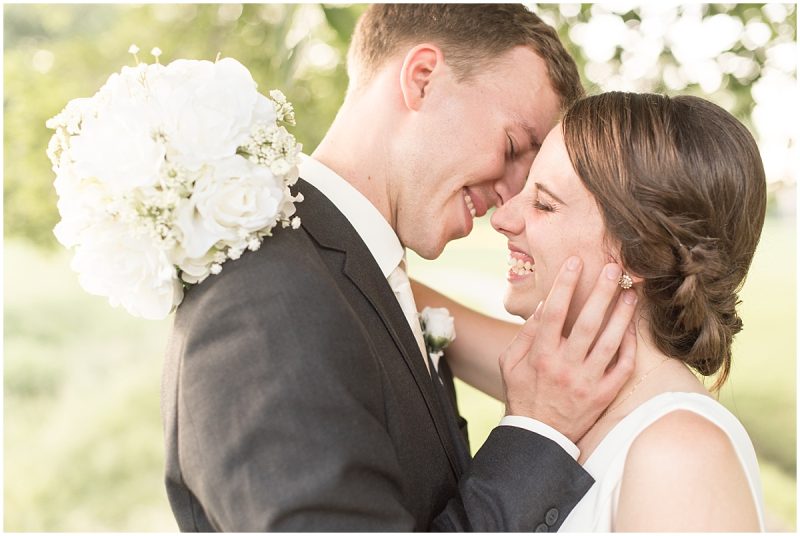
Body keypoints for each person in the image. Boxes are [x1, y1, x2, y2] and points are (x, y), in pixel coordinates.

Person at [161, 4, 638, 532]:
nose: (513, 196)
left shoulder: (356, 274)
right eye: (511, 146)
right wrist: (538, 430)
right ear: (423, 79)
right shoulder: (266, 296)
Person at [415, 91, 767, 531]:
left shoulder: (679, 456)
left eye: (544, 203)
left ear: (640, 254)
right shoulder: (569, 384)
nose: (503, 218)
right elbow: (437, 321)